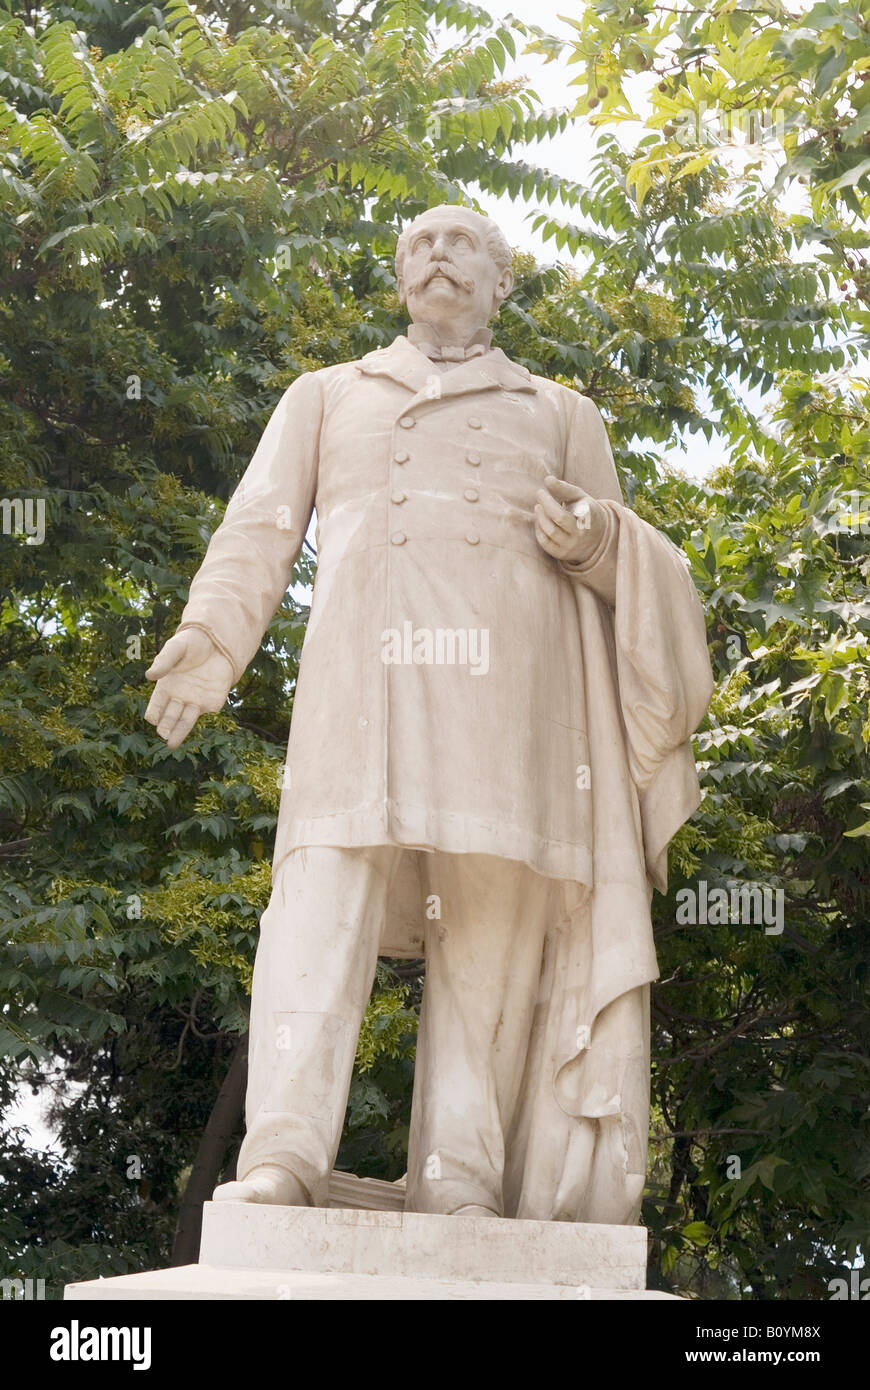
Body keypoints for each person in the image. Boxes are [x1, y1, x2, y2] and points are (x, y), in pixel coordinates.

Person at [145, 204, 713, 1222]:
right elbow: (259, 528)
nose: (436, 255)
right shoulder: (327, 396)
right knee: (315, 911)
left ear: (501, 283)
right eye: (417, 245)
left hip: (510, 714)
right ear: (401, 279)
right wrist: (212, 637)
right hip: (358, 698)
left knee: (488, 936)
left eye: (460, 244)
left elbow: (627, 564)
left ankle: (463, 1173)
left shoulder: (559, 411)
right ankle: (280, 1155)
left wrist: (593, 538)